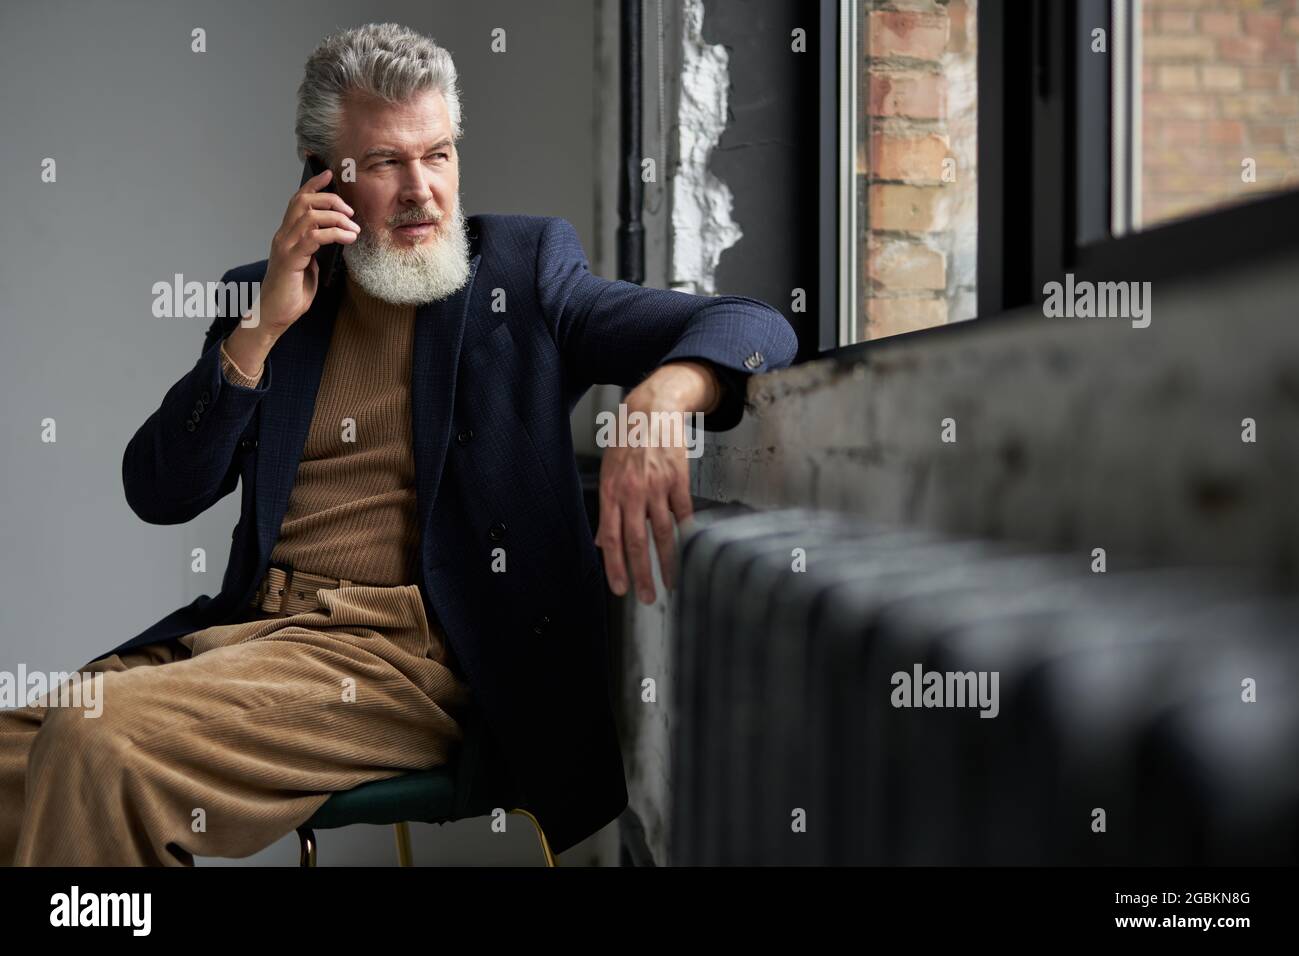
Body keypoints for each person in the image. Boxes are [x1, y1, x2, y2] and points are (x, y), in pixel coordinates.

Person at [0, 22, 797, 865]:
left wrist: (663, 396)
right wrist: (259, 332)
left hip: (406, 658)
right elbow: (158, 492)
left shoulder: (522, 275)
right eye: (386, 164)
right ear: (322, 180)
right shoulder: (266, 301)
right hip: (251, 636)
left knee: (101, 745)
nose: (423, 190)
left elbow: (755, 325)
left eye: (439, 155)